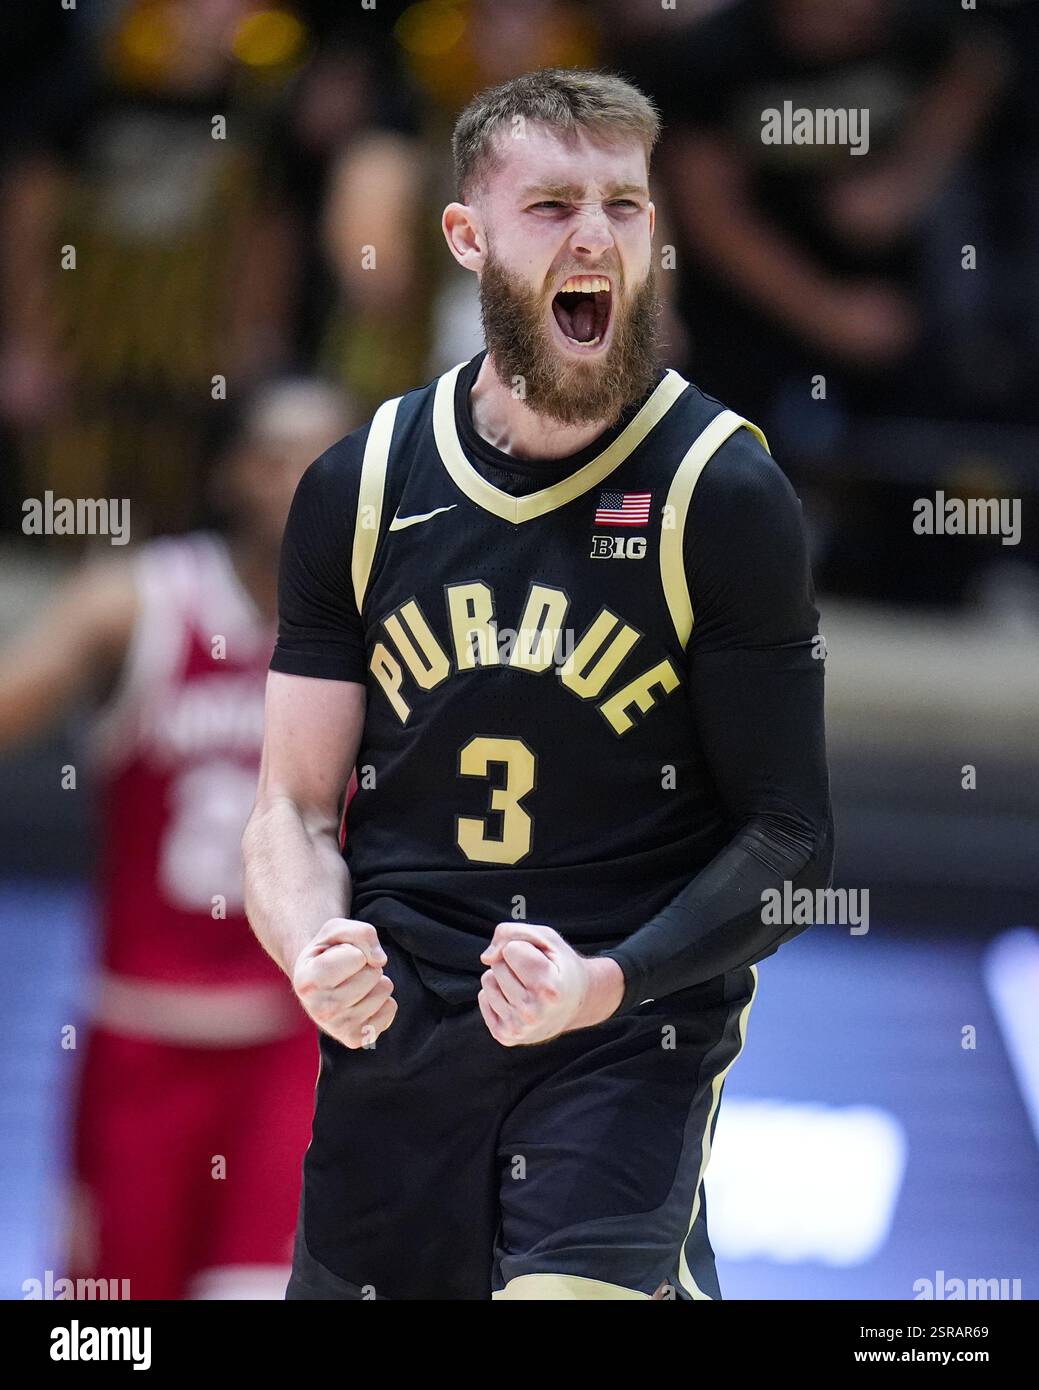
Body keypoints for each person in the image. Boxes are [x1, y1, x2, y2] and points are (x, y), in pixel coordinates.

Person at [243, 69, 834, 1302]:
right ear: (467, 237)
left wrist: (605, 981)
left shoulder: (717, 489)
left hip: (621, 1033)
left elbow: (789, 836)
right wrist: (310, 947)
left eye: (623, 206)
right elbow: (290, 810)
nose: (593, 237)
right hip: (400, 1035)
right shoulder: (359, 487)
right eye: (553, 203)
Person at [0, 379, 354, 1299]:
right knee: (110, 1329)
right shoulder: (135, 603)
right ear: (232, 471)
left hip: (293, 1045)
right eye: (278, 455)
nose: (301, 482)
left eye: (326, 458)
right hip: (140, 1045)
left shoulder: (384, 625)